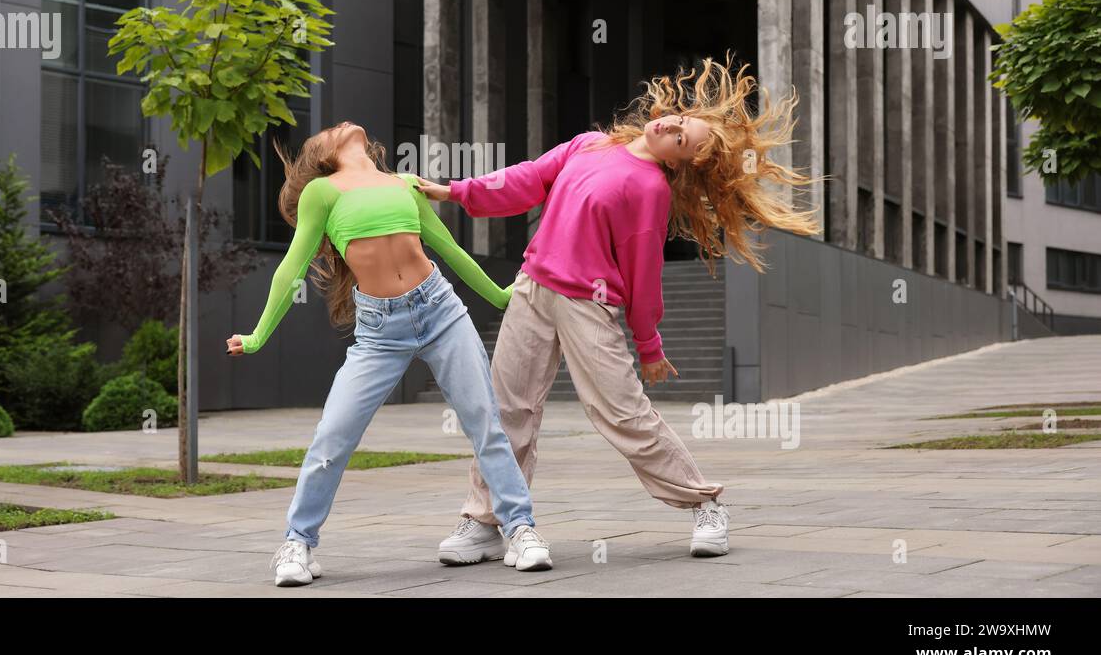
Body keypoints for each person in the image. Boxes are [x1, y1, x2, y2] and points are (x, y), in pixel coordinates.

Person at [421, 56, 821, 563]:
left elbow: (642, 272)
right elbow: (526, 180)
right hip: (533, 290)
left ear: (679, 162)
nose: (670, 125)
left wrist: (649, 344)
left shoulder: (649, 187)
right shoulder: (590, 144)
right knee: (506, 410)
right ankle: (484, 518)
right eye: (679, 120)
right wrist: (454, 192)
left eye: (681, 138)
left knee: (620, 413)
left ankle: (704, 503)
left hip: (590, 304)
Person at [227, 120, 552, 586]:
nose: (341, 123)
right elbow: (290, 269)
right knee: (331, 439)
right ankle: (297, 543)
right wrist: (257, 336)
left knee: (486, 423)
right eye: (329, 128)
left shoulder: (403, 184)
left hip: (440, 311)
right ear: (322, 152)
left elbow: (449, 249)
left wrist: (500, 297)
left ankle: (520, 530)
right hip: (379, 330)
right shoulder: (323, 191)